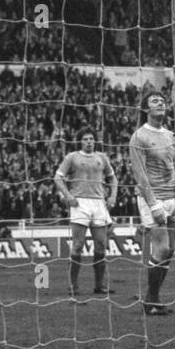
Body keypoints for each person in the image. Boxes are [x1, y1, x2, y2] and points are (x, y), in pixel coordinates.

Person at [128, 91, 175, 314]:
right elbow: (140, 174)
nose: (160, 103)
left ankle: (153, 300)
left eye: (162, 100)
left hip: (173, 199)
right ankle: (151, 299)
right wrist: (154, 205)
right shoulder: (139, 137)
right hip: (154, 199)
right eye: (154, 101)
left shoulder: (172, 136)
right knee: (163, 248)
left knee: (169, 252)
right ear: (146, 109)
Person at [54, 127, 118, 298]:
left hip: (99, 203)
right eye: (85, 139)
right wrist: (68, 196)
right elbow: (57, 177)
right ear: (80, 141)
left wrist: (112, 196)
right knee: (78, 244)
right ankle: (73, 286)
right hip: (80, 203)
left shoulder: (102, 158)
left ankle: (99, 286)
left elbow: (113, 178)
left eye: (91, 138)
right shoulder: (72, 157)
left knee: (101, 245)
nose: (89, 141)